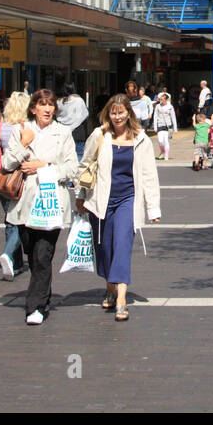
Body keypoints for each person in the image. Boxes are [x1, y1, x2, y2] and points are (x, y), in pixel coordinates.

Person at [78, 94, 162, 322]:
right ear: (108, 113)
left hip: (128, 200)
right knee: (105, 249)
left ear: (128, 113)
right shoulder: (99, 135)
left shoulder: (140, 139)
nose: (117, 117)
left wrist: (153, 208)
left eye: (121, 112)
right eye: (113, 113)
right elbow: (85, 166)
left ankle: (122, 299)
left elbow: (148, 175)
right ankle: (109, 286)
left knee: (123, 245)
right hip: (101, 201)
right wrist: (81, 195)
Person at [2, 89, 79, 325]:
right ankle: (41, 294)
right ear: (33, 108)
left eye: (51, 105)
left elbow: (72, 168)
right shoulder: (21, 130)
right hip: (25, 203)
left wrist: (43, 166)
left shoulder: (63, 132)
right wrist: (23, 144)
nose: (47, 109)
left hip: (51, 203)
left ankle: (35, 306)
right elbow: (7, 163)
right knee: (32, 252)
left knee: (43, 254)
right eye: (42, 104)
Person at [0, 91, 33, 280]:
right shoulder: (27, 128)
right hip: (21, 179)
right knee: (18, 218)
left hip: (3, 180)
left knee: (9, 217)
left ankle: (15, 263)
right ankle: (9, 254)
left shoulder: (0, 128)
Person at [56, 82, 90, 162]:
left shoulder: (58, 102)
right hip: (77, 132)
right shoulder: (79, 100)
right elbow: (85, 115)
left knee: (62, 155)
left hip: (62, 130)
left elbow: (56, 114)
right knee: (79, 155)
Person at [153, 91, 177, 160]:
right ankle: (162, 151)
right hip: (160, 125)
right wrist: (155, 126)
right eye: (160, 99)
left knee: (166, 140)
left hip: (167, 126)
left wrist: (175, 127)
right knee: (160, 140)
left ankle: (166, 154)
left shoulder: (170, 107)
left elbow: (173, 117)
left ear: (166, 99)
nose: (161, 101)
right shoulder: (158, 106)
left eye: (162, 99)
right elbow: (155, 116)